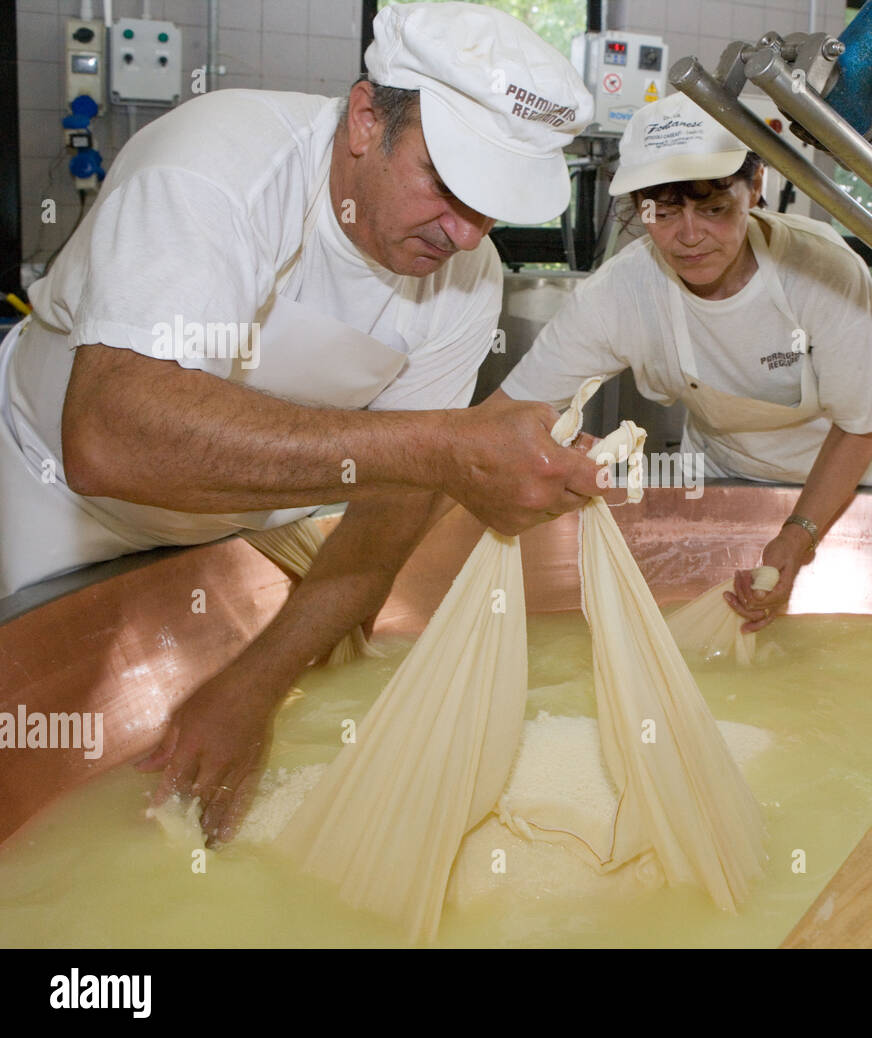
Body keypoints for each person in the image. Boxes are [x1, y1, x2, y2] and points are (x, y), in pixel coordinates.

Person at [0, 2, 605, 843]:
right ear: (367, 119)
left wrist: (255, 684)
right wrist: (438, 449)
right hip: (43, 503)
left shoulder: (467, 280)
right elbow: (109, 436)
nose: (465, 232)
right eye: (449, 184)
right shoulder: (217, 168)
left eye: (493, 209)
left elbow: (385, 518)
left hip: (233, 534)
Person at [497, 93, 872, 631]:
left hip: (848, 488)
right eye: (662, 214)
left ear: (754, 188)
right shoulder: (624, 292)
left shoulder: (821, 272)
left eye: (714, 210)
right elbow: (507, 416)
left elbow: (858, 429)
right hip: (728, 478)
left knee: (845, 641)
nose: (688, 238)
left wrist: (799, 532)